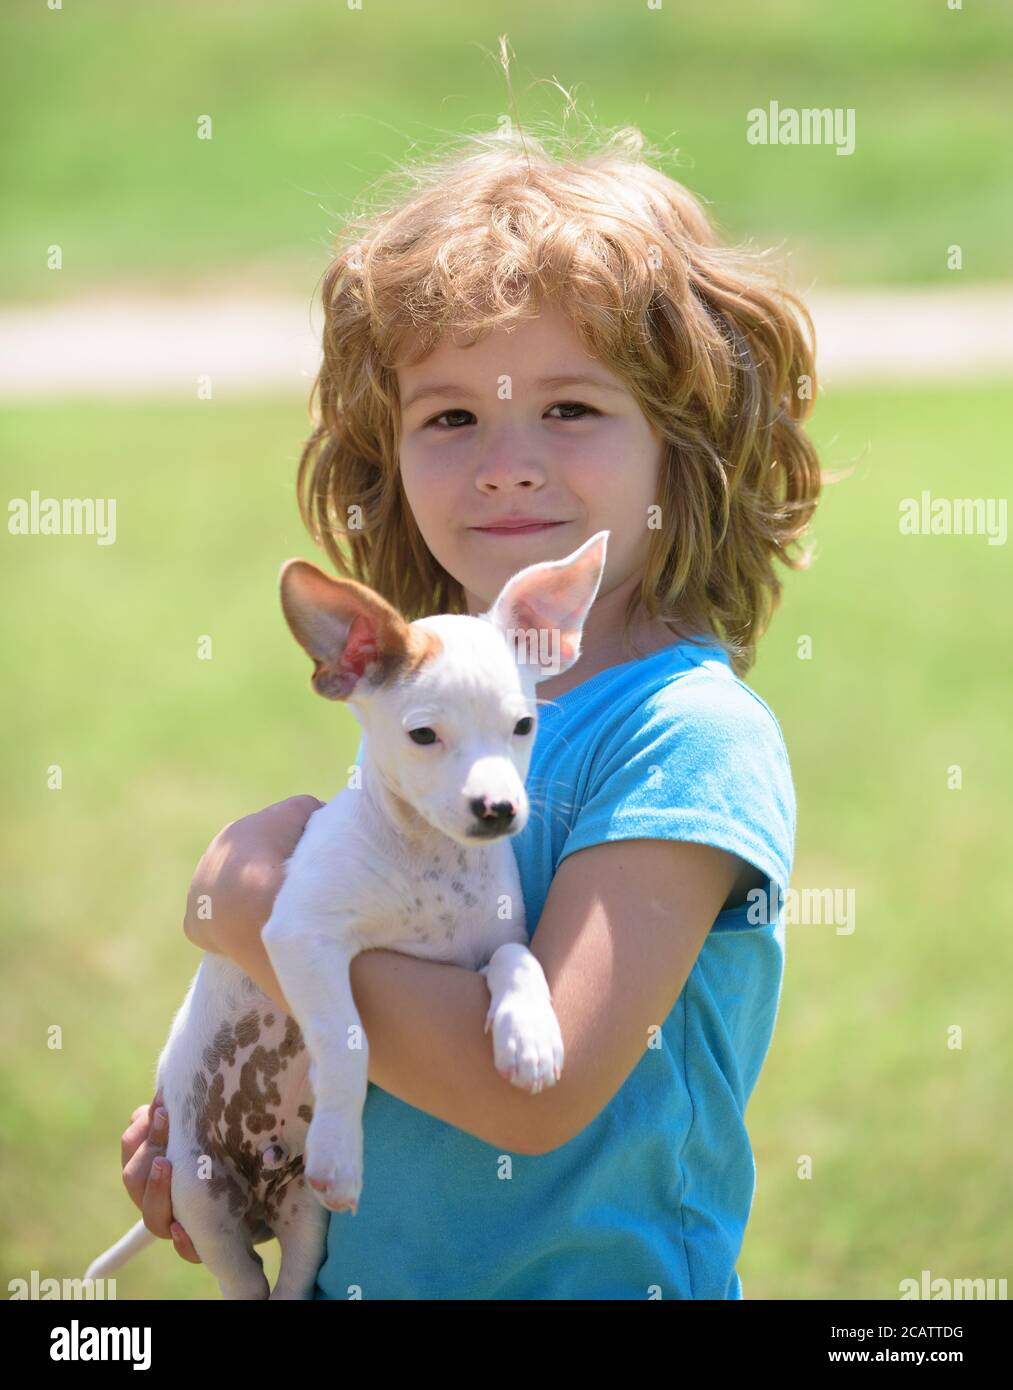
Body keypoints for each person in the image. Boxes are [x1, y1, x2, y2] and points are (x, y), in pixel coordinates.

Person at [121, 125, 822, 1297]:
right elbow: (374, 1032)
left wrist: (253, 904)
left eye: (568, 409)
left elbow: (516, 1095)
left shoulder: (686, 737)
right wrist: (237, 1125)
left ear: (681, 448)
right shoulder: (432, 704)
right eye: (450, 418)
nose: (504, 462)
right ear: (385, 453)